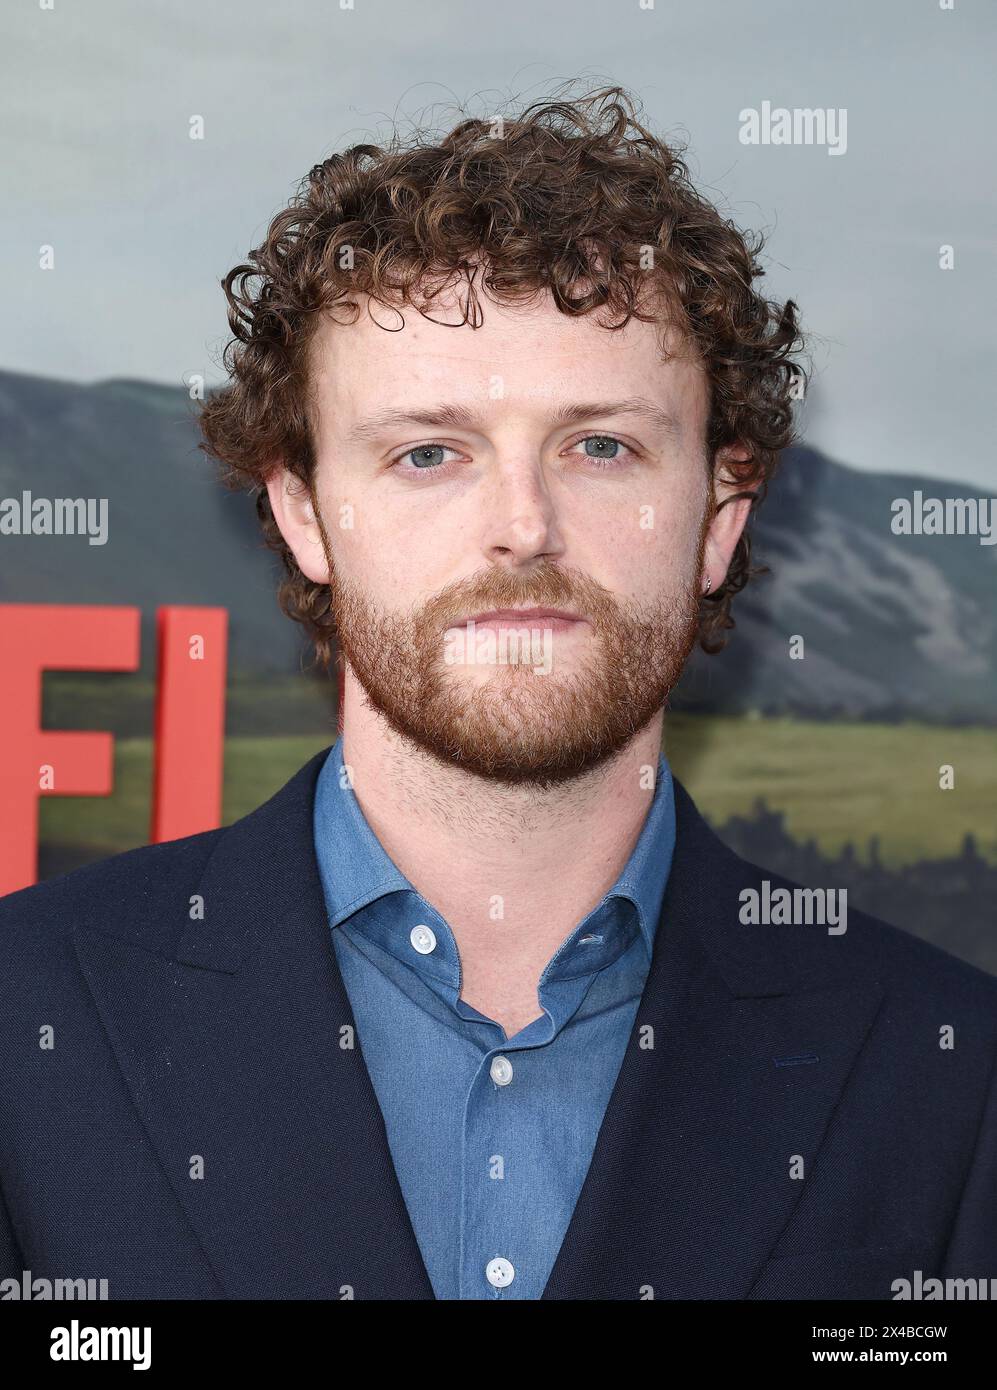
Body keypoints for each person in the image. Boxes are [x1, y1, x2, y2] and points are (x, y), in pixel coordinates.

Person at [2, 86, 995, 1302]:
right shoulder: (28, 1014)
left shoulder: (951, 1064)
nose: (522, 528)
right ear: (304, 510)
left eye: (600, 447)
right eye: (428, 452)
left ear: (720, 519)